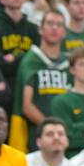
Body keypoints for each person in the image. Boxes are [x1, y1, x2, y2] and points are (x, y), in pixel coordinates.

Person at [13, 10, 71, 152]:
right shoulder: (31, 60)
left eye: (59, 25)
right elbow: (27, 106)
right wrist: (51, 130)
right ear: (40, 29)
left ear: (64, 32)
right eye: (50, 24)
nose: (54, 28)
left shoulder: (70, 63)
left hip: (67, 136)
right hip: (38, 136)